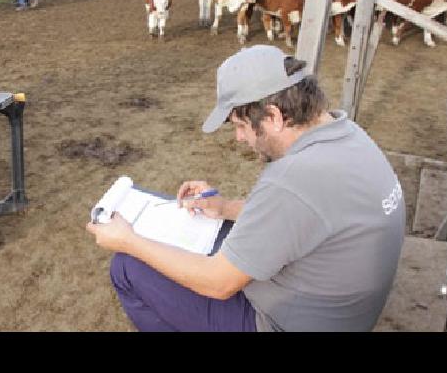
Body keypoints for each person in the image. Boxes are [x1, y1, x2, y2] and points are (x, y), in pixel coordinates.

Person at [86, 45, 405, 331]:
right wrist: (224, 208)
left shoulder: (292, 180)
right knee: (215, 229)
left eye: (241, 125)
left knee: (127, 267)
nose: (240, 138)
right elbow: (303, 217)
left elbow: (218, 284)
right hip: (340, 309)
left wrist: (128, 241)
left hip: (281, 321)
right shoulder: (346, 133)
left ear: (274, 117)